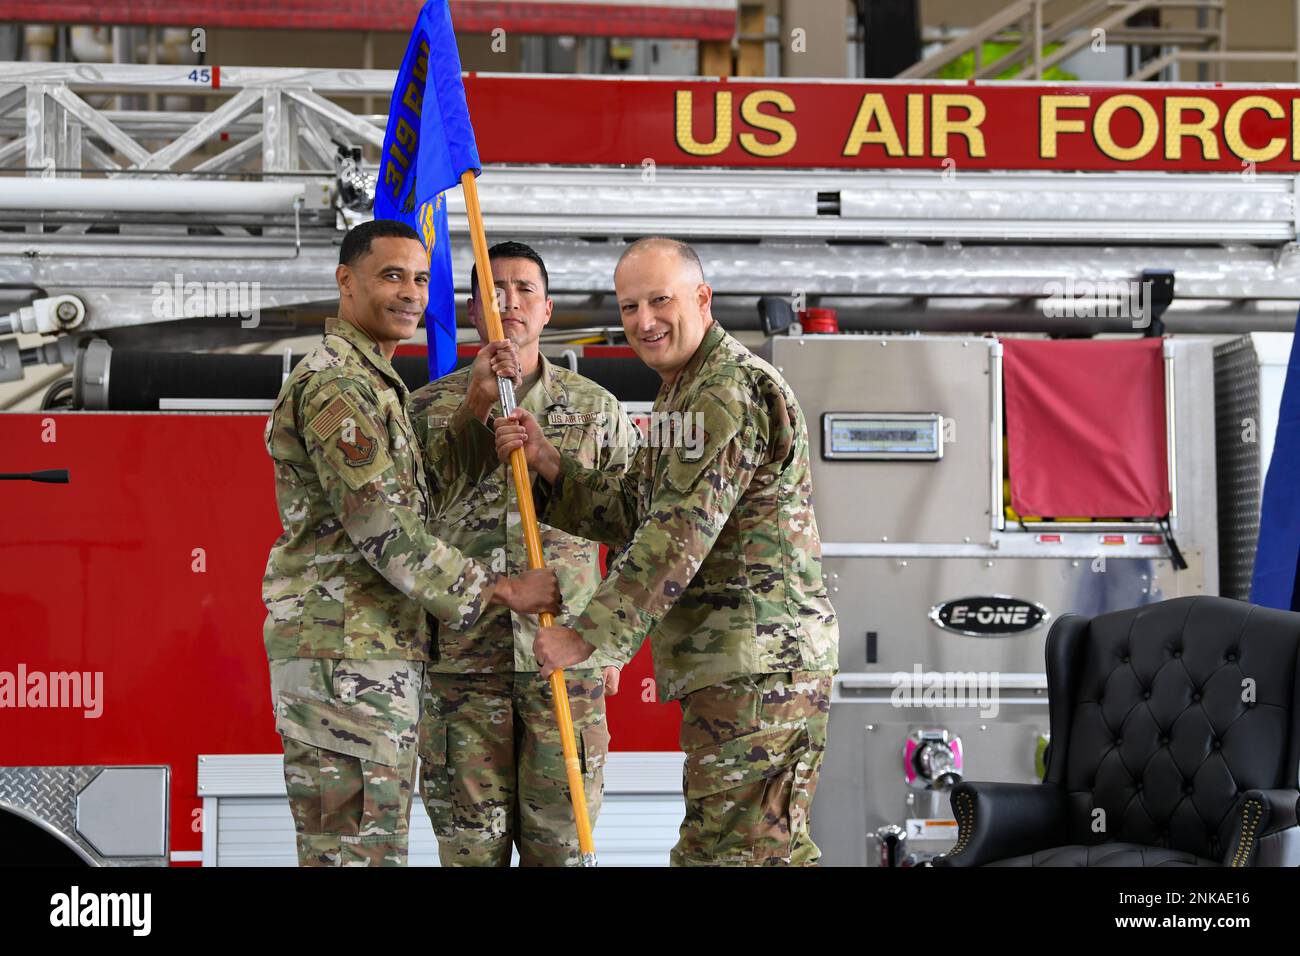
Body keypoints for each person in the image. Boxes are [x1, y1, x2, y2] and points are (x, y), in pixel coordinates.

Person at [495, 236, 839, 866]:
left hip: (758, 667)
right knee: (749, 853)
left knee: (737, 856)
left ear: (701, 298)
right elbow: (634, 511)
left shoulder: (723, 390)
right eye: (629, 307)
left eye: (660, 300)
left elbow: (678, 533)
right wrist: (548, 464)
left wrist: (586, 639)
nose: (644, 321)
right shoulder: (683, 390)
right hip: (734, 668)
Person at [261, 219, 560, 866]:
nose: (411, 292)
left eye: (421, 278)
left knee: (373, 852)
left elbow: (418, 501)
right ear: (347, 281)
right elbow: (384, 528)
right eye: (391, 275)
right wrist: (501, 590)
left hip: (372, 653)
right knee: (355, 857)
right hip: (342, 659)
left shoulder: (376, 383)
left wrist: (476, 411)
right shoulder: (339, 385)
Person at [410, 240, 637, 866]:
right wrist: (475, 409)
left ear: (546, 310)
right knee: (469, 852)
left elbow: (636, 529)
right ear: (473, 310)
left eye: (524, 291)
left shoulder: (595, 412)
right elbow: (402, 526)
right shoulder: (427, 412)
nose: (509, 302)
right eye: (494, 291)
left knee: (561, 849)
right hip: (461, 669)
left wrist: (611, 642)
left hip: (563, 663)